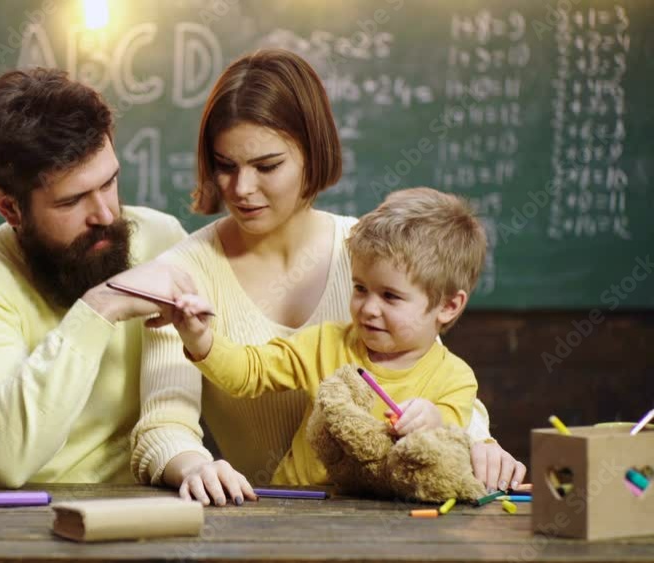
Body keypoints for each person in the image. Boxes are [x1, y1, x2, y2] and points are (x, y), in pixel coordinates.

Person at [129, 49, 526, 506]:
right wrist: (195, 465)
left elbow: (428, 371)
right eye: (225, 166)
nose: (241, 189)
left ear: (313, 153)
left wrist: (482, 444)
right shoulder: (184, 271)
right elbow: (164, 424)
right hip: (266, 514)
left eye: (267, 166)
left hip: (379, 515)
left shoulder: (370, 252)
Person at [0, 68, 194, 486]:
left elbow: (173, 416)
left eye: (110, 181)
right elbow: (6, 459)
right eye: (72, 201)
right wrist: (102, 305)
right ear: (9, 208)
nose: (106, 215)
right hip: (19, 528)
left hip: (137, 520)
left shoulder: (162, 239)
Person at [169, 187, 485, 492]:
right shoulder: (325, 343)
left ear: (448, 306)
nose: (368, 308)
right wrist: (199, 338)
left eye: (390, 296)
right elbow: (248, 372)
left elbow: (453, 446)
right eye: (360, 288)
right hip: (295, 506)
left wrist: (434, 421)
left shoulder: (456, 380)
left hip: (391, 523)